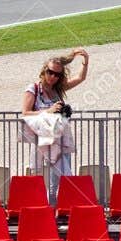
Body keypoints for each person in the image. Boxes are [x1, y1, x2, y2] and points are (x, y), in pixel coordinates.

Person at [21, 50, 88, 203]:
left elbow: (80, 78)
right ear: (44, 71)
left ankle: (53, 206)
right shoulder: (33, 89)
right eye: (50, 72)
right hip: (40, 139)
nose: (53, 77)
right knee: (37, 173)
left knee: (59, 176)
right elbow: (25, 113)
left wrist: (85, 62)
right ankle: (40, 206)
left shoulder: (57, 89)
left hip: (58, 138)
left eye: (57, 75)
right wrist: (48, 111)